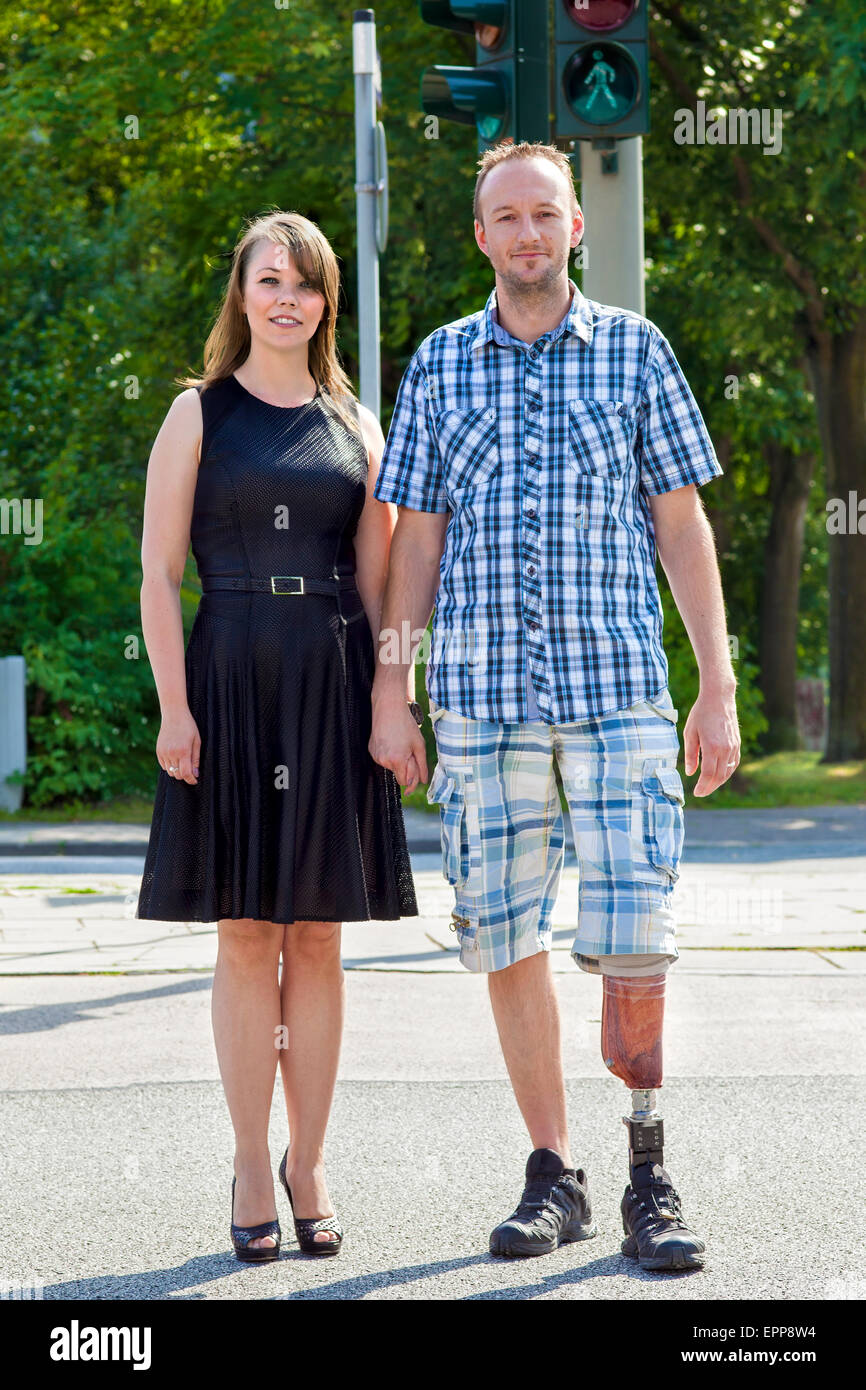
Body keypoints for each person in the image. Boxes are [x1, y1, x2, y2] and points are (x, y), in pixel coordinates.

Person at [370, 142, 739, 1272]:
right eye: (505, 218)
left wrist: (714, 683)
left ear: (575, 227)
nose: (526, 234)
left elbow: (680, 524)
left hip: (618, 689)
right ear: (478, 235)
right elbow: (415, 539)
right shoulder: (438, 364)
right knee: (505, 936)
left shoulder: (635, 352)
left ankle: (645, 1172)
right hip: (481, 704)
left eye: (544, 214)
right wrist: (396, 685)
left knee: (633, 940)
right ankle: (552, 1173)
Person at [136, 210, 418, 1260]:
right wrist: (174, 704)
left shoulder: (357, 422)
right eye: (268, 278)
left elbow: (388, 579)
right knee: (249, 932)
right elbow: (160, 575)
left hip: (335, 678)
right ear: (241, 293)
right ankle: (252, 1160)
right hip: (233, 675)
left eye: (304, 282)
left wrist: (395, 697)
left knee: (319, 938)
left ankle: (311, 1160)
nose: (285, 297)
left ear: (325, 300)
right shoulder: (195, 416)